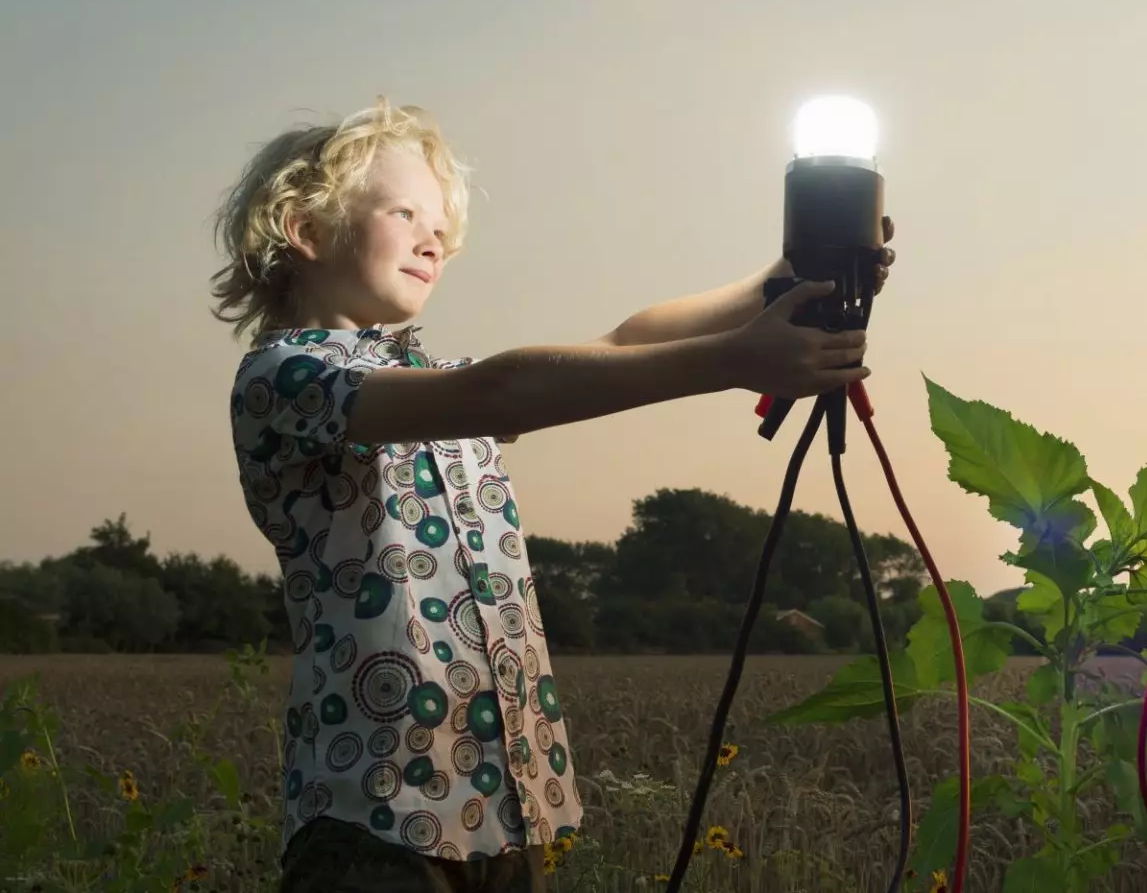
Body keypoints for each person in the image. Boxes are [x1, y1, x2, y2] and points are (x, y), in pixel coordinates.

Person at [209, 97, 893, 892]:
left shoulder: (433, 384)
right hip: (375, 815)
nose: (435, 240)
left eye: (444, 230)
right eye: (406, 213)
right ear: (307, 228)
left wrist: (780, 280)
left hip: (503, 811)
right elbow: (509, 389)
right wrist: (734, 360)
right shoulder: (285, 378)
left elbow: (619, 346)